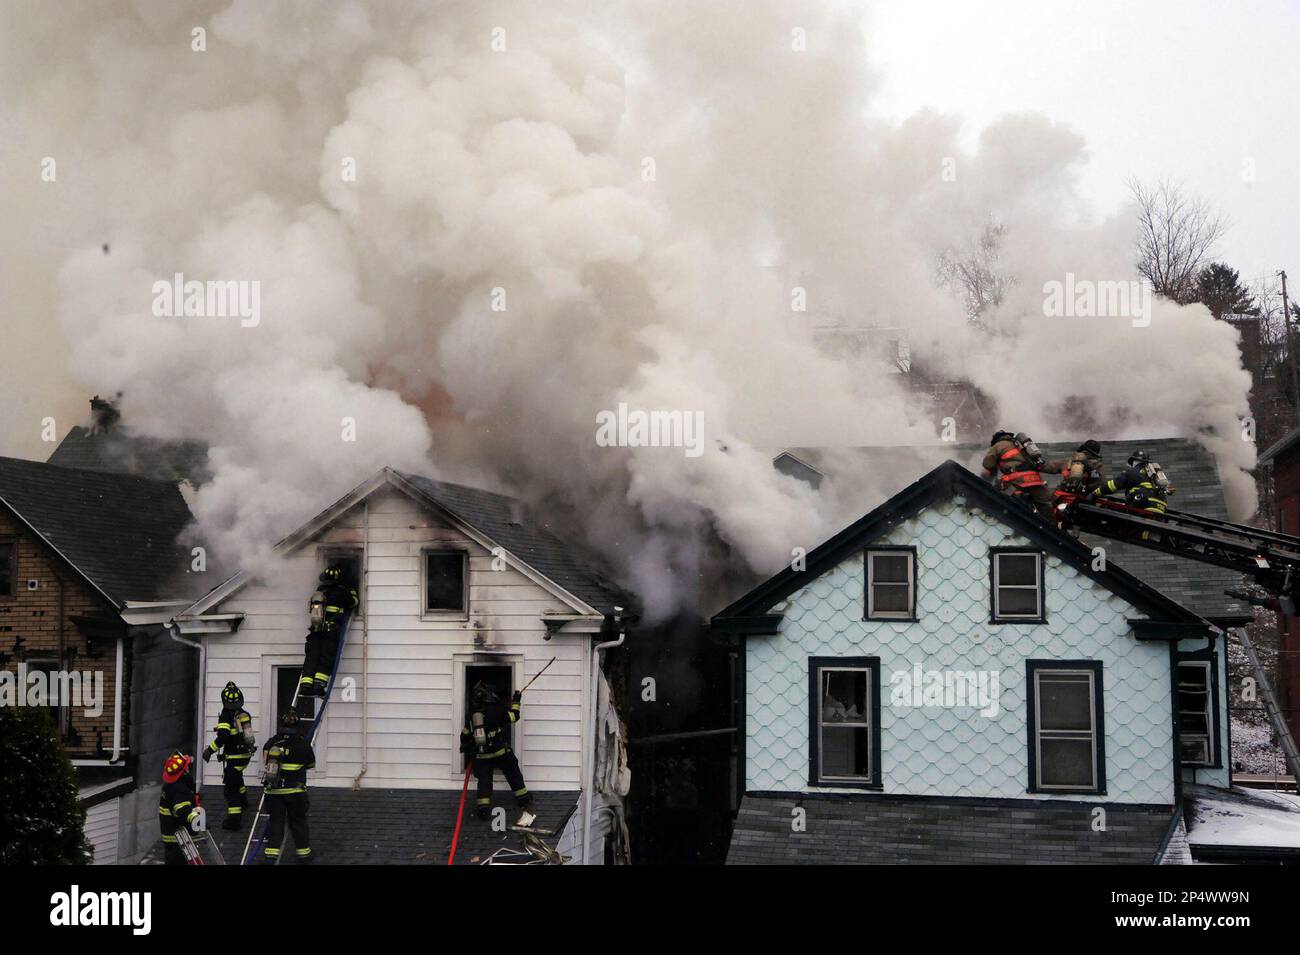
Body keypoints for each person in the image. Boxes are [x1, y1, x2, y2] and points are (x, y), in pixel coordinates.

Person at [460, 681, 533, 825]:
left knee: (484, 781)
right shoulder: (496, 709)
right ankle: (523, 798)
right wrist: (516, 700)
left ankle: (483, 808)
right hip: (500, 751)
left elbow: (465, 735)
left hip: (481, 755)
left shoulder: (473, 715)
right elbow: (513, 717)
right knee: (512, 772)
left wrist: (466, 748)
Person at [260, 709, 315, 865]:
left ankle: (271, 857)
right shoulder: (303, 744)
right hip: (295, 792)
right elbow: (310, 764)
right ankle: (304, 855)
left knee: (275, 823)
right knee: (298, 823)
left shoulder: (271, 743)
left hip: (274, 792)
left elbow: (266, 760)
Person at [299, 564, 358, 699]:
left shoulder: (319, 591)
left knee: (312, 657)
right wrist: (352, 590)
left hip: (315, 631)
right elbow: (353, 603)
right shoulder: (342, 591)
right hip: (330, 632)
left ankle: (306, 685)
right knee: (326, 658)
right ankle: (319, 686)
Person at [202, 681, 254, 830]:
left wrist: (209, 750)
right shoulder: (244, 714)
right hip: (245, 755)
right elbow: (237, 733)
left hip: (233, 757)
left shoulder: (225, 715)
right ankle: (244, 802)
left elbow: (224, 737)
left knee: (231, 789)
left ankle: (234, 821)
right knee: (238, 777)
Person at [979, 430, 1052, 517]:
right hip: (1036, 480)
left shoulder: (997, 446)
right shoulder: (1021, 446)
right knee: (1047, 513)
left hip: (1016, 482)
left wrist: (983, 485)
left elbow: (986, 471)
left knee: (1001, 497)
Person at [1090, 449, 1173, 516]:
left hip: (1142, 504)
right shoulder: (1154, 475)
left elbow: (1113, 485)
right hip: (1161, 506)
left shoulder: (1132, 472)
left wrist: (1095, 493)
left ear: (1134, 461)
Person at [160, 752, 202, 866]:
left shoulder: (169, 786)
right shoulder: (179, 789)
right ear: (182, 772)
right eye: (186, 767)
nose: (188, 768)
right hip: (179, 840)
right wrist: (198, 822)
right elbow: (183, 811)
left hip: (172, 839)